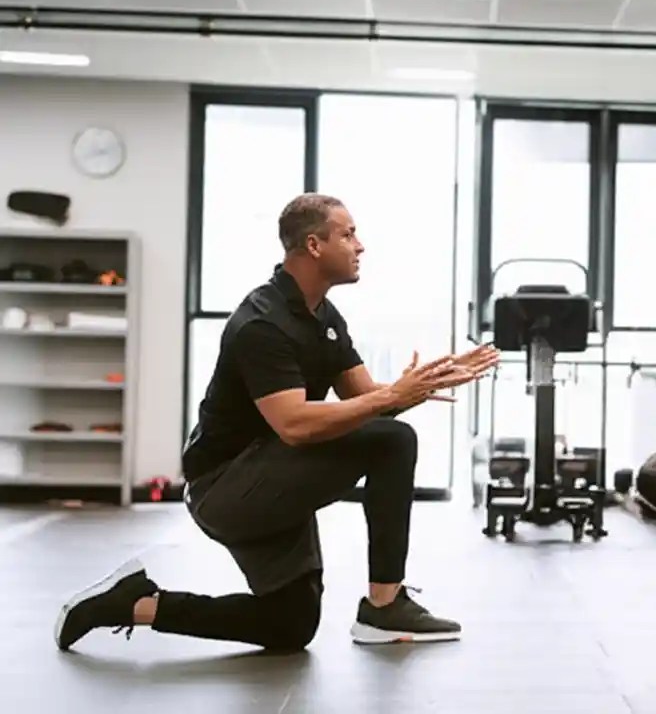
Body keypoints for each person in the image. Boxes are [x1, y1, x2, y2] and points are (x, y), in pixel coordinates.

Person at [54, 193, 499, 653]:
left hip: (272, 472)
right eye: (348, 234)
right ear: (313, 245)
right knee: (393, 441)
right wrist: (391, 398)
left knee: (290, 624)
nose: (360, 245)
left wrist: (423, 385)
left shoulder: (323, 317)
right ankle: (384, 606)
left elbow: (366, 402)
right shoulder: (262, 324)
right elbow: (295, 426)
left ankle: (131, 605)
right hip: (225, 487)